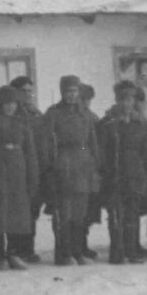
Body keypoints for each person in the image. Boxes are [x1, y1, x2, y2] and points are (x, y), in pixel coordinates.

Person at [0, 85, 39, 270]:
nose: (10, 107)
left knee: (16, 214)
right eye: (6, 103)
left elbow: (30, 151)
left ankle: (13, 253)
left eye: (14, 103)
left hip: (18, 170)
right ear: (0, 103)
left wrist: (32, 176)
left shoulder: (22, 122)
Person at [43, 75, 101, 266]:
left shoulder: (85, 114)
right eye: (68, 91)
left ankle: (78, 252)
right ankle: (64, 254)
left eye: (74, 91)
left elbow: (92, 142)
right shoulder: (53, 114)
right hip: (63, 165)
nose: (71, 95)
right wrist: (52, 167)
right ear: (62, 92)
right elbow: (47, 144)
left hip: (83, 166)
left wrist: (94, 165)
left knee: (80, 213)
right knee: (64, 214)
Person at [97, 80, 147, 264]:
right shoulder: (107, 123)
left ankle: (132, 251)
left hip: (135, 174)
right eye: (123, 99)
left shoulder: (140, 124)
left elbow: (146, 151)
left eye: (130, 99)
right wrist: (105, 174)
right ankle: (117, 253)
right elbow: (101, 150)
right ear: (116, 100)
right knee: (115, 216)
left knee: (132, 215)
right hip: (114, 175)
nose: (127, 104)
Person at [10, 75, 49, 263]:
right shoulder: (12, 113)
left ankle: (28, 248)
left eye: (29, 91)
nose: (27, 95)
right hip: (18, 169)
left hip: (36, 169)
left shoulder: (36, 114)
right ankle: (16, 249)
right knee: (18, 211)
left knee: (33, 210)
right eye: (23, 91)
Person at [78, 83, 102, 260]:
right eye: (83, 99)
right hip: (77, 168)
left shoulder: (92, 117)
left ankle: (83, 244)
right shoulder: (79, 117)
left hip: (90, 169)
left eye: (88, 99)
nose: (86, 103)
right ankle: (77, 245)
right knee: (77, 210)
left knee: (88, 210)